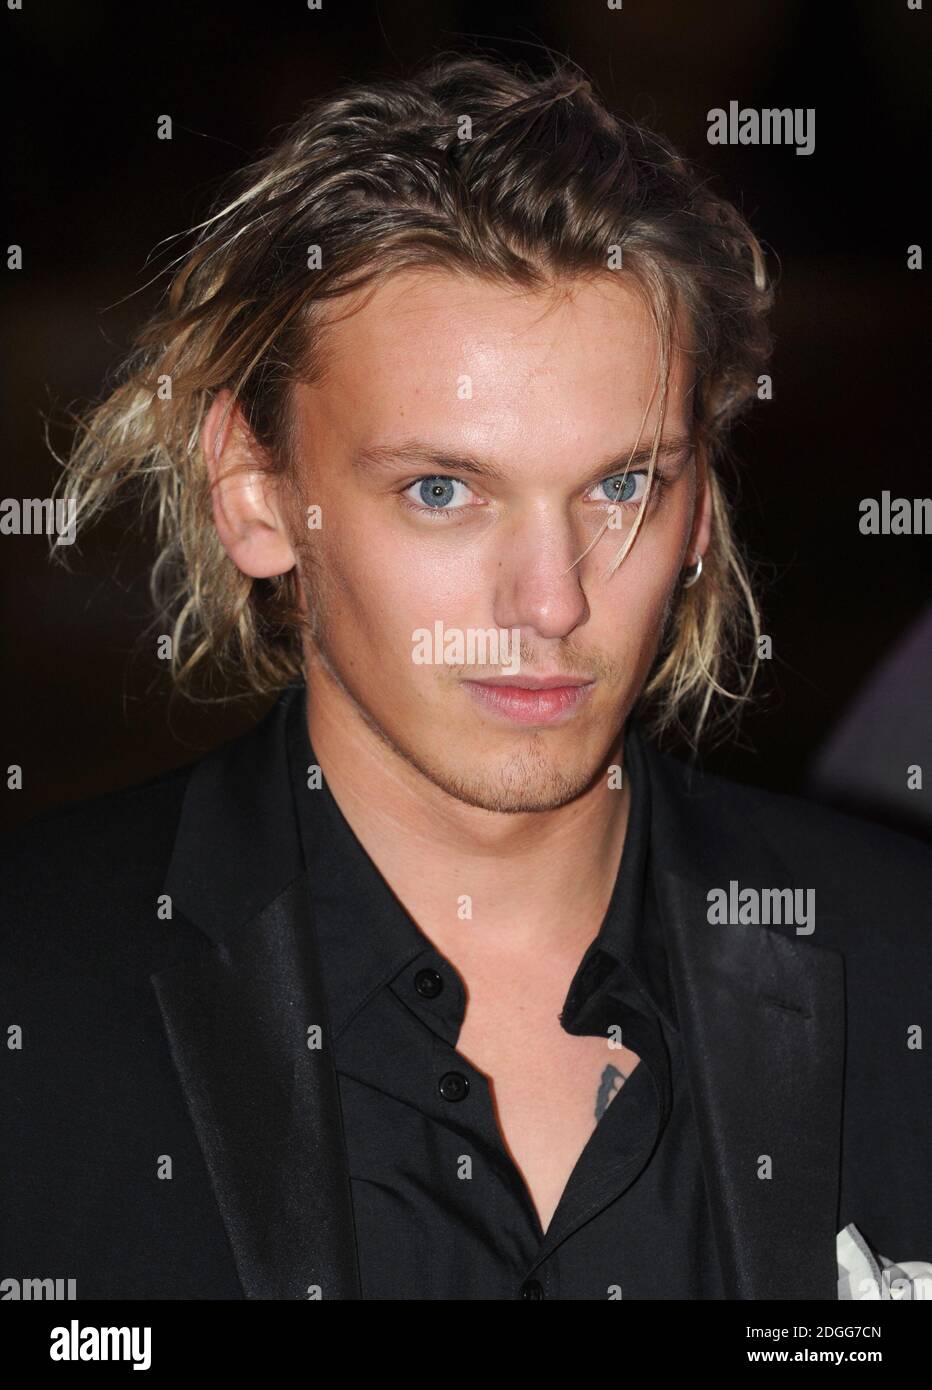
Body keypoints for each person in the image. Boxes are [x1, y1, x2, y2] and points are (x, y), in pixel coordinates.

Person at [2, 53, 930, 1302]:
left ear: (700, 502)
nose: (549, 601)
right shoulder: (37, 989)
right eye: (441, 491)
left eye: (620, 486)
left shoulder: (899, 958)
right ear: (255, 493)